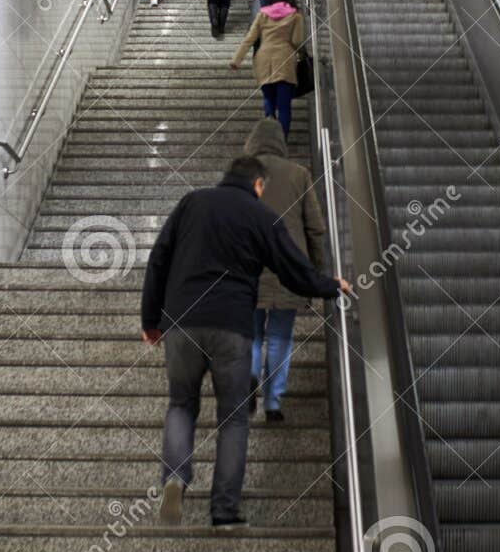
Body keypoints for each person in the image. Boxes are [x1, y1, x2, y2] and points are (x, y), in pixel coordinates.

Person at [142, 155, 349, 528]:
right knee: (234, 418)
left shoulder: (192, 202)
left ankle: (175, 477)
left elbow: (158, 258)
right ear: (258, 184)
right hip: (232, 327)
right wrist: (330, 286)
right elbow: (293, 270)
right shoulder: (260, 216)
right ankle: (223, 512)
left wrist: (150, 319)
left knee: (181, 404)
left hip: (182, 322)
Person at [242, 118, 328, 421]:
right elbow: (315, 228)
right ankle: (273, 403)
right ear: (281, 144)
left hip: (247, 269)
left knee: (250, 334)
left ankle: (248, 381)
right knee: (280, 336)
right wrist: (316, 272)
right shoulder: (299, 174)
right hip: (288, 268)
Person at [231, 0, 305, 136]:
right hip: (285, 61)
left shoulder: (262, 15)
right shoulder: (296, 17)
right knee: (284, 107)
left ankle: (269, 125)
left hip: (263, 61)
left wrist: (237, 59)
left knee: (269, 99)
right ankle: (282, 141)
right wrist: (302, 55)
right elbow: (297, 41)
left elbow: (250, 39)